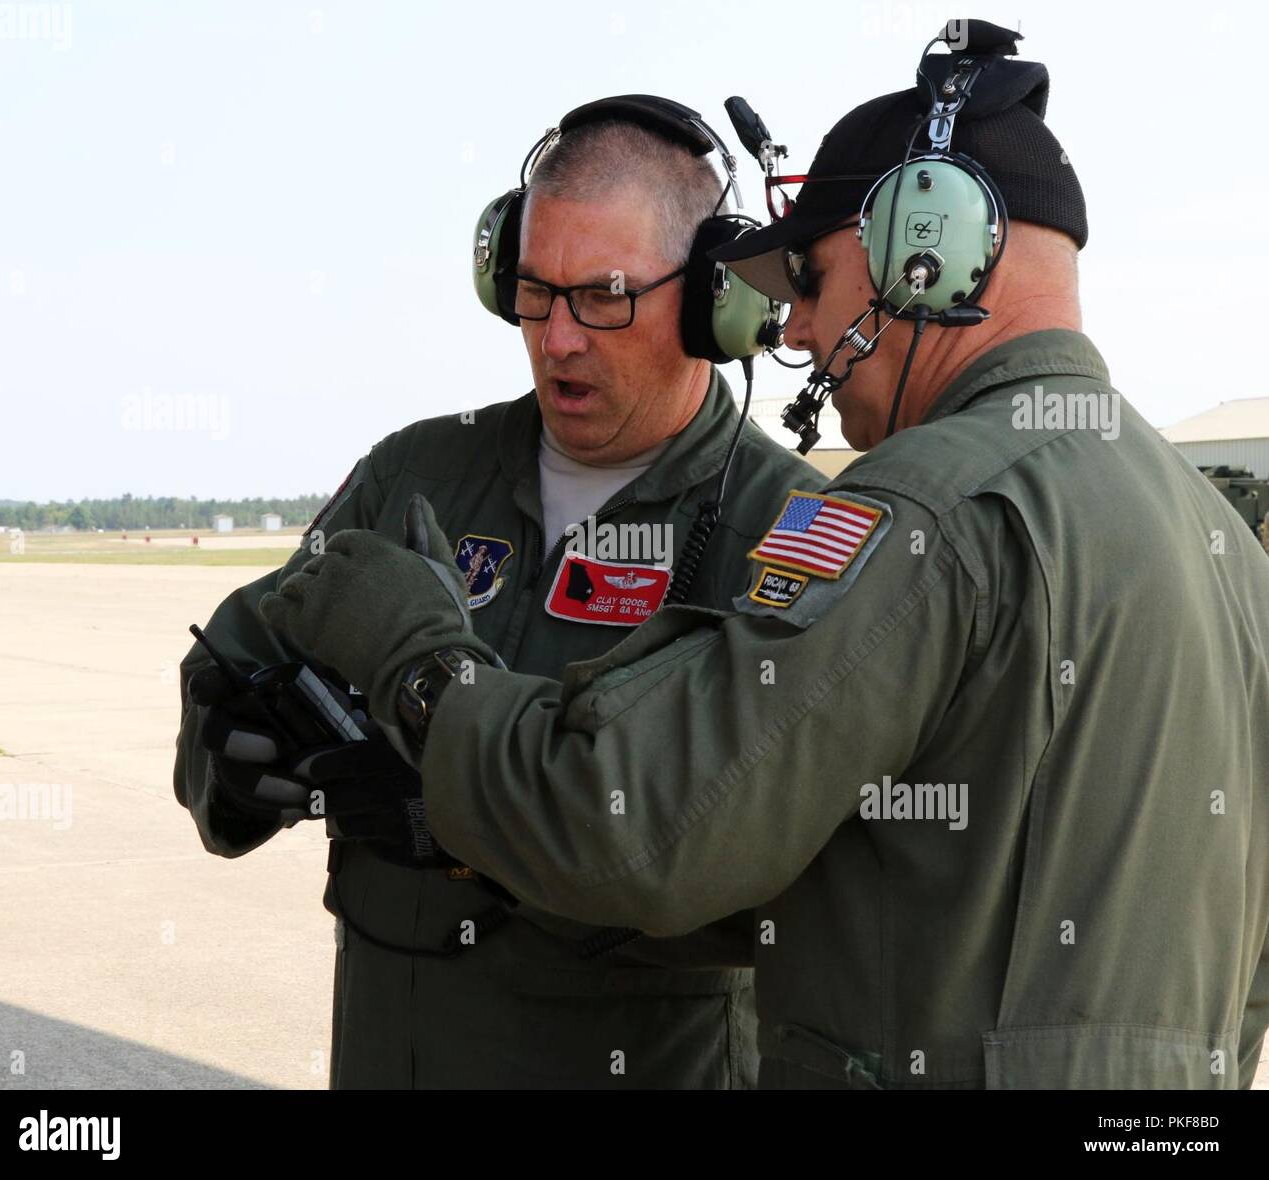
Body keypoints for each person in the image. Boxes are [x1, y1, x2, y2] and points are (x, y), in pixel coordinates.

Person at [258, 24, 1269, 1089]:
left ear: (924, 253)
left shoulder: (925, 511)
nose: (796, 332)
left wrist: (420, 664)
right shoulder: (1229, 557)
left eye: (814, 279)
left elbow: (640, 820)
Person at [173, 95, 825, 1089]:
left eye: (604, 298)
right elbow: (241, 648)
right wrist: (228, 760)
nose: (557, 337)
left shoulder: (787, 532)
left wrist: (472, 821)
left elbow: (781, 883)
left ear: (711, 299)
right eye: (532, 292)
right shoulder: (417, 473)